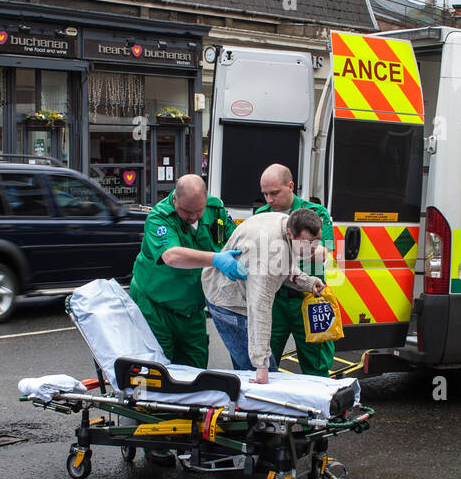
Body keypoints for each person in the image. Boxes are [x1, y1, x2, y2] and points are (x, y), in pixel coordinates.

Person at [201, 207, 326, 384]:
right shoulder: (267, 253)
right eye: (306, 243)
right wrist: (261, 365)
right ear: (290, 233)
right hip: (228, 302)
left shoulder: (288, 223)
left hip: (241, 289)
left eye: (316, 241)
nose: (313, 249)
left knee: (252, 372)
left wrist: (307, 282)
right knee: (264, 377)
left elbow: (285, 264)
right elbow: (259, 309)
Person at [128, 173, 242, 368]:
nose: (192, 217)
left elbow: (237, 238)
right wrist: (215, 259)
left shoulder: (216, 210)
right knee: (157, 371)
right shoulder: (160, 217)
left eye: (198, 211)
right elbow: (172, 256)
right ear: (174, 199)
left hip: (192, 310)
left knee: (195, 371)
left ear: (205, 200)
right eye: (185, 211)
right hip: (156, 308)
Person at [252, 164, 335, 377]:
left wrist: (293, 249)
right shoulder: (261, 215)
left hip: (309, 299)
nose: (269, 200)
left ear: (290, 186)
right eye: (265, 194)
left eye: (274, 193)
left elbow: (324, 252)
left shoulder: (315, 213)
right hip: (275, 300)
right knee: (263, 364)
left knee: (316, 366)